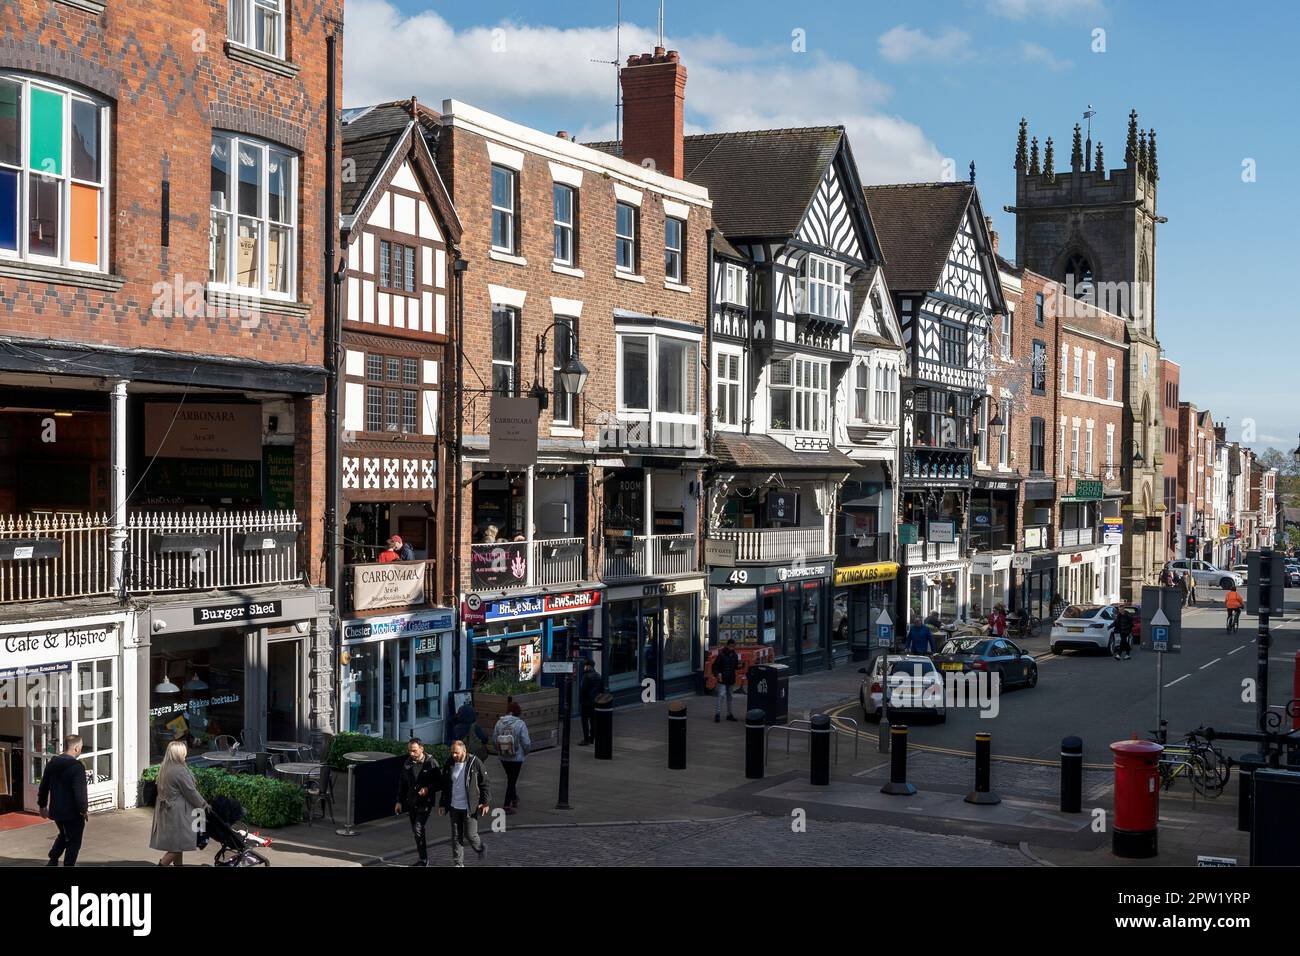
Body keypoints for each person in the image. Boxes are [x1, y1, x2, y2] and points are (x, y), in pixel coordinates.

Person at [150, 739, 211, 866]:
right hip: (178, 813)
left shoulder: (165, 768)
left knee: (177, 845)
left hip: (167, 811)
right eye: (184, 752)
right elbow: (191, 792)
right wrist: (204, 805)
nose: (186, 754)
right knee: (178, 846)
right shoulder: (179, 770)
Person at [37, 735, 88, 867]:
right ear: (76, 748)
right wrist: (83, 810)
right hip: (72, 813)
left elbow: (44, 786)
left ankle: (53, 859)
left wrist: (42, 805)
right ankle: (67, 864)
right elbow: (79, 792)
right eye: (81, 748)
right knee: (74, 841)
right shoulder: (77, 767)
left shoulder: (52, 763)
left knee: (64, 834)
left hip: (57, 811)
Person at [438, 739, 490, 867]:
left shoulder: (474, 762)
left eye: (456, 753)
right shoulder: (450, 763)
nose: (454, 755)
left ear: (464, 751)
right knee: (456, 836)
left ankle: (480, 848)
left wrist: (485, 802)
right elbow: (445, 785)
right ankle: (458, 863)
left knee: (470, 835)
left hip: (469, 807)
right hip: (454, 806)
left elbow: (485, 783)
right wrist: (442, 804)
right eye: (452, 753)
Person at [394, 738, 442, 866]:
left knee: (418, 828)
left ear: (421, 749)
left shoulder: (431, 763)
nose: (411, 753)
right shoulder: (408, 763)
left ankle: (424, 860)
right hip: (412, 802)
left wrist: (428, 789)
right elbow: (402, 783)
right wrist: (398, 801)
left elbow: (440, 783)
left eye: (414, 751)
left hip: (425, 802)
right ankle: (422, 858)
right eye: (409, 751)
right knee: (416, 831)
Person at [493, 702, 531, 814]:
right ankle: (506, 805)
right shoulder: (520, 724)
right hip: (516, 757)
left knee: (511, 777)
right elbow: (526, 742)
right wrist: (526, 752)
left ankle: (514, 799)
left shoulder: (499, 723)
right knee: (512, 780)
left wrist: (499, 750)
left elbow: (494, 739)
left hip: (503, 757)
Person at [711, 639, 740, 723]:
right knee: (721, 696)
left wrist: (741, 666)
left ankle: (729, 714)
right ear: (727, 646)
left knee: (729, 696)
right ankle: (717, 714)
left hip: (730, 679)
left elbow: (735, 667)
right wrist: (717, 674)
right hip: (723, 679)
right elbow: (715, 666)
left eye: (733, 646)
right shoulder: (721, 655)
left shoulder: (735, 655)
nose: (732, 648)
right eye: (731, 646)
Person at [578, 659, 603, 745]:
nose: (584, 667)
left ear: (588, 666)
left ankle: (586, 739)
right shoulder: (598, 676)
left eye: (585, 666)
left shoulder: (586, 676)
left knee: (584, 722)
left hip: (586, 703)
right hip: (595, 702)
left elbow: (583, 690)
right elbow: (601, 690)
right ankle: (592, 738)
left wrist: (581, 700)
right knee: (593, 721)